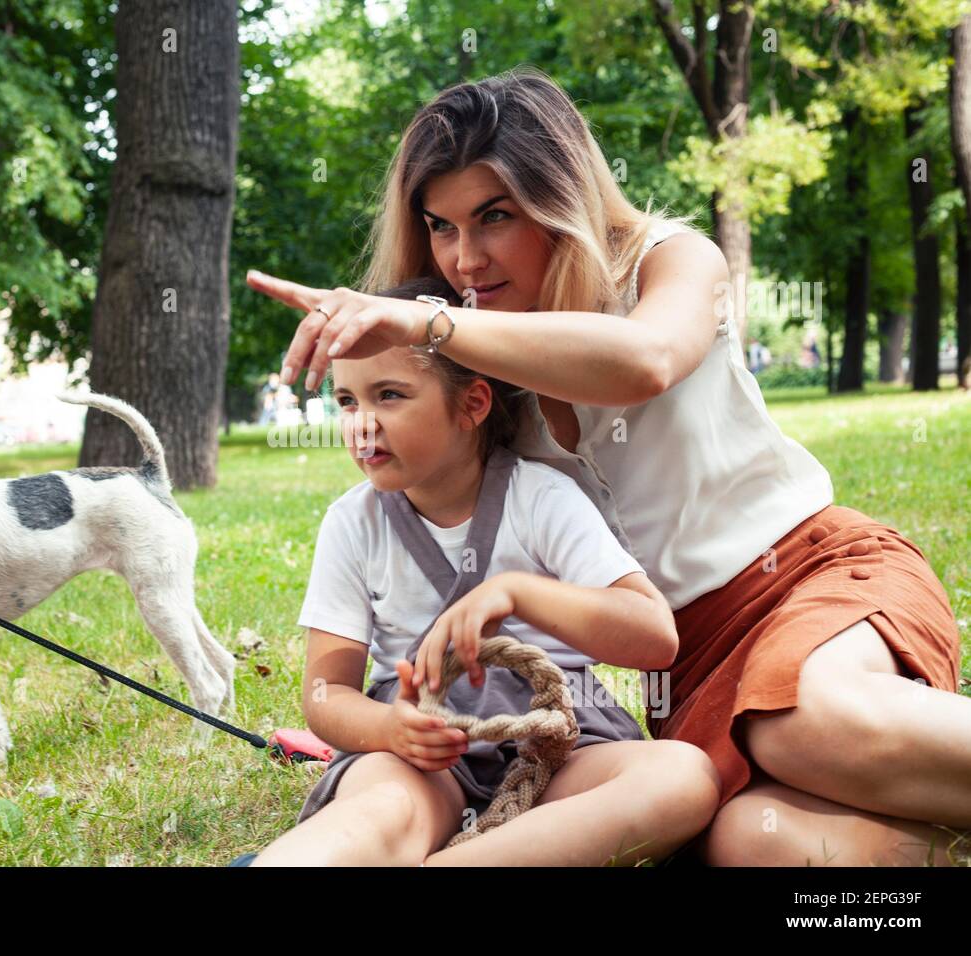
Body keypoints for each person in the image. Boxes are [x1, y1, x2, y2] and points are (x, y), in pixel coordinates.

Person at [247, 66, 968, 865]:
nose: (465, 259)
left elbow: (647, 360)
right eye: (441, 227)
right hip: (683, 666)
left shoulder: (667, 260)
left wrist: (432, 324)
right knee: (754, 847)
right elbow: (407, 496)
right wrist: (381, 721)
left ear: (561, 202)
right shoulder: (481, 372)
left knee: (807, 721)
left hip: (808, 579)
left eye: (494, 216)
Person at [248, 278, 721, 866]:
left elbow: (653, 636)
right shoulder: (354, 523)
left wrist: (516, 592)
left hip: (559, 747)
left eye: (389, 395)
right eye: (347, 402)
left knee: (683, 775)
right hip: (423, 762)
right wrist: (390, 729)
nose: (361, 425)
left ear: (472, 404)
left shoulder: (542, 498)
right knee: (377, 813)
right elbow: (327, 694)